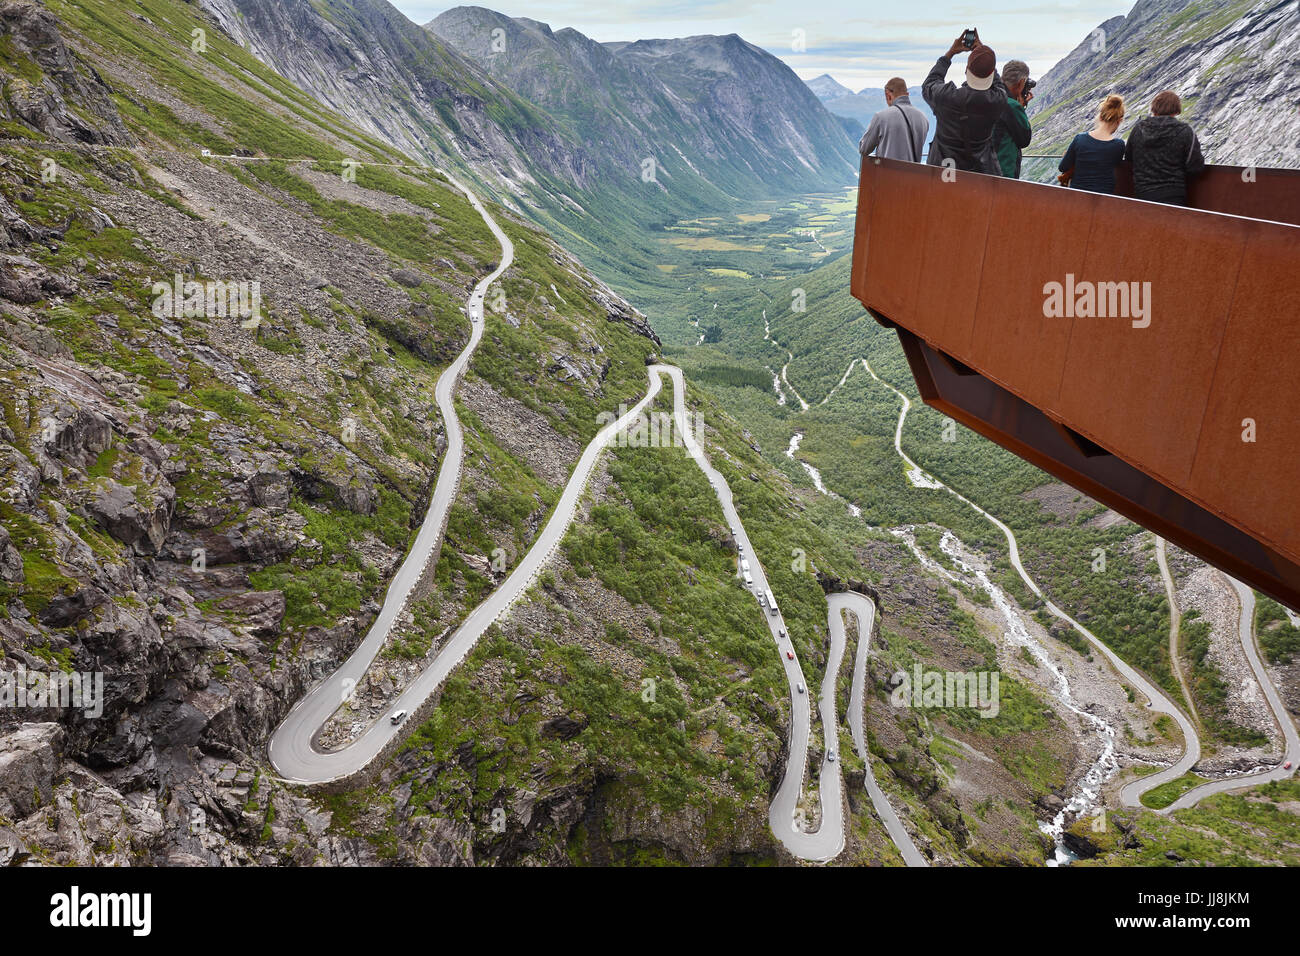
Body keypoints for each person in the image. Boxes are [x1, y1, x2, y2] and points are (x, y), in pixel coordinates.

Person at [923, 30, 1010, 175]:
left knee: (944, 197)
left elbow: (930, 83)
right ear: (990, 74)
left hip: (945, 171)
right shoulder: (998, 100)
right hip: (981, 172)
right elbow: (998, 84)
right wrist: (983, 53)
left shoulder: (946, 97)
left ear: (966, 69)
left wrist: (950, 53)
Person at [1124, 91, 1205, 205]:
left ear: (1154, 108)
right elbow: (1195, 167)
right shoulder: (1186, 131)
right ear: (1177, 110)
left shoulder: (1138, 129)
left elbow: (1128, 158)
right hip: (1174, 195)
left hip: (1143, 193)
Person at [1058, 94, 1127, 194]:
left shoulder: (1080, 139)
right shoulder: (1119, 145)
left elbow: (1063, 167)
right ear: (1119, 121)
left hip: (1077, 197)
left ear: (1100, 116)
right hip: (1104, 199)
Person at [858, 77, 929, 163]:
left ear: (888, 95)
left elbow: (864, 149)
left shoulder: (881, 117)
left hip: (888, 174)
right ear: (907, 94)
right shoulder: (923, 119)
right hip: (913, 175)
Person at [995, 60, 1033, 178]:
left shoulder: (992, 96)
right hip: (1003, 171)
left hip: (984, 169)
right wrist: (1021, 108)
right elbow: (1024, 139)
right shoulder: (1012, 106)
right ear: (1021, 82)